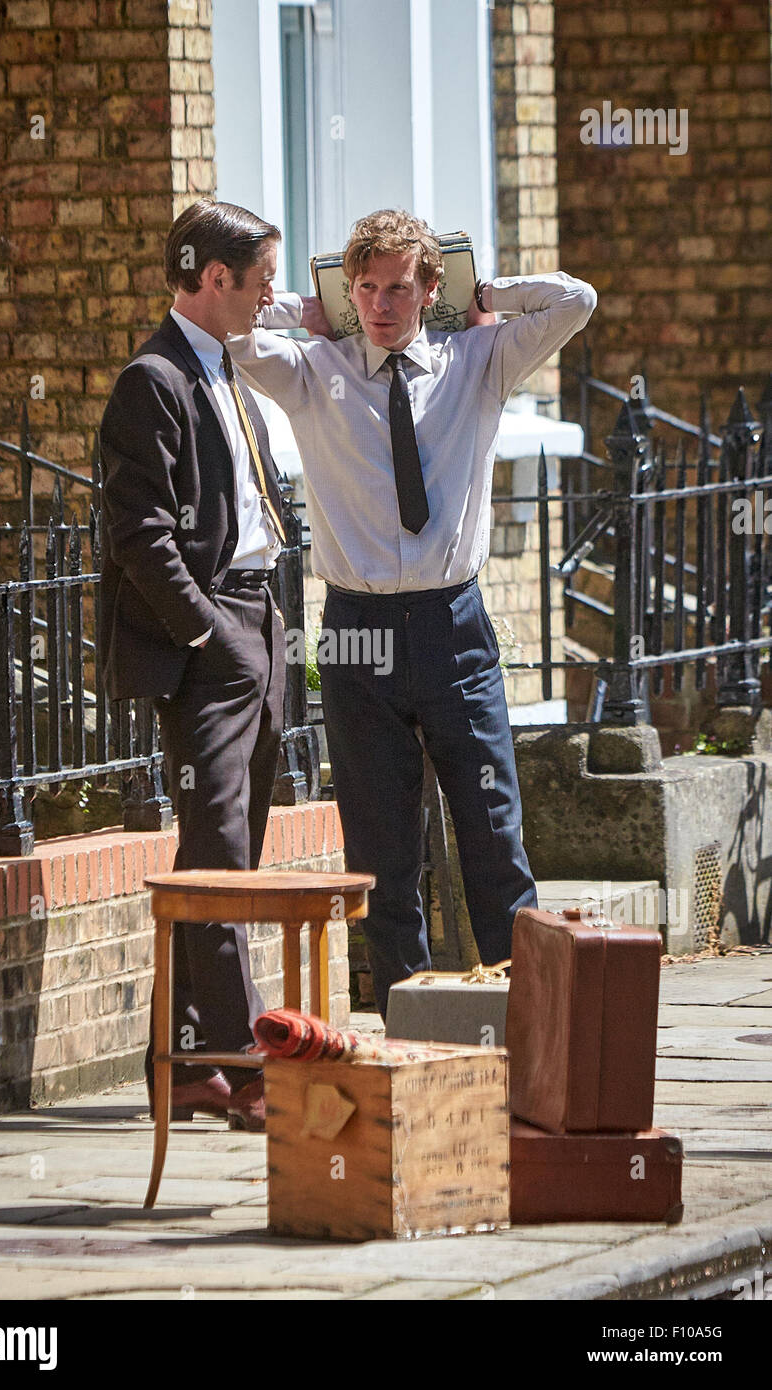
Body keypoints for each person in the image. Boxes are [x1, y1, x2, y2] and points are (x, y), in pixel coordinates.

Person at [227, 207, 597, 1018]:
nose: (382, 304)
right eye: (366, 288)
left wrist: (486, 292)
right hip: (356, 629)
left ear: (429, 289)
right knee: (384, 847)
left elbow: (577, 301)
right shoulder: (314, 371)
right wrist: (307, 310)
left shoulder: (481, 359)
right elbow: (230, 335)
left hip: (452, 624)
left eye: (399, 287)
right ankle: (406, 1028)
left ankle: (523, 1019)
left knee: (492, 830)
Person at [99, 201, 287, 1129]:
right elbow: (137, 532)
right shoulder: (154, 379)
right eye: (258, 281)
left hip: (260, 620)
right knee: (216, 853)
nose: (268, 297)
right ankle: (247, 1066)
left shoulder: (227, 367)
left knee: (230, 853)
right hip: (212, 639)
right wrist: (210, 632)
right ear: (214, 280)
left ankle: (180, 1064)